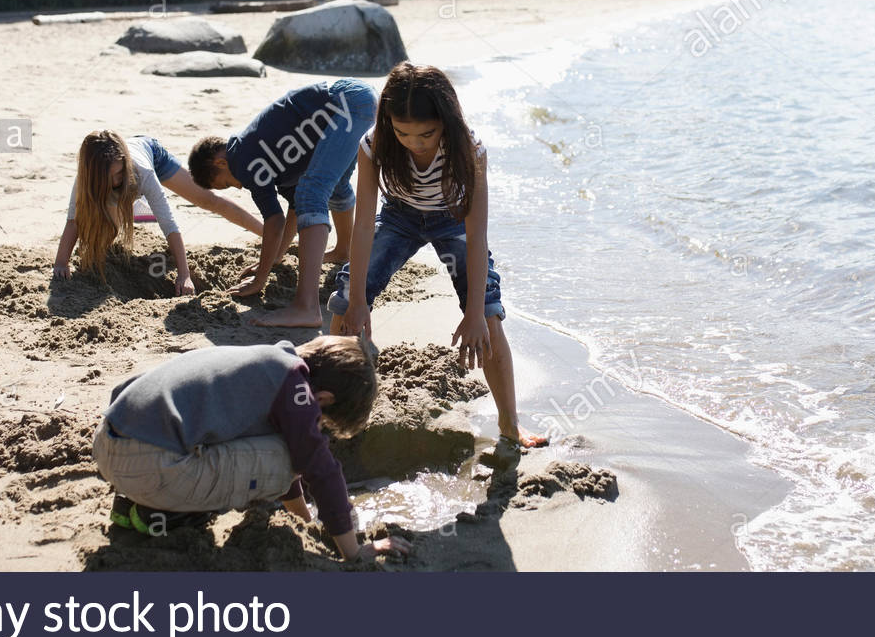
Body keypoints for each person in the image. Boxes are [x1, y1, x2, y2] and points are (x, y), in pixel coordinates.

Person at [327, 63, 547, 457]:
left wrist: (476, 312)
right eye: (403, 132)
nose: (416, 143)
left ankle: (510, 424)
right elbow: (362, 226)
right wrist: (359, 298)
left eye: (427, 133)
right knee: (344, 300)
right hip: (398, 217)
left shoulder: (470, 150)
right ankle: (328, 413)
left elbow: (477, 236)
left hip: (453, 220)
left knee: (489, 314)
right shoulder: (374, 144)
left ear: (445, 121)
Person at [93, 335, 410, 562]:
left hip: (110, 440)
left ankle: (138, 504)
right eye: (322, 417)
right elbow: (317, 468)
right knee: (287, 458)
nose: (318, 421)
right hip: (152, 466)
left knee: (273, 448)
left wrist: (305, 519)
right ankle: (160, 514)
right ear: (324, 398)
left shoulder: (267, 363)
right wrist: (354, 551)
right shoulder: (297, 387)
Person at [189, 79, 376, 327]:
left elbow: (274, 221)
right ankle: (343, 251)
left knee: (313, 191)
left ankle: (306, 308)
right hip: (357, 100)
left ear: (220, 164)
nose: (236, 187)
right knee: (333, 186)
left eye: (224, 184)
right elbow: (294, 208)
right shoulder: (268, 158)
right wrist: (276, 257)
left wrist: (260, 280)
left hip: (347, 105)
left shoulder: (242, 160)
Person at [53, 130, 262, 294]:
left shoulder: (143, 172)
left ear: (124, 164)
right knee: (108, 232)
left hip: (151, 155)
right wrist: (61, 263)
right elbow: (73, 221)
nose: (116, 180)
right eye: (110, 177)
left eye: (119, 173)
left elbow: (168, 224)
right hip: (111, 189)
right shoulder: (86, 179)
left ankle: (267, 233)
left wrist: (184, 275)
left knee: (209, 199)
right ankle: (125, 208)